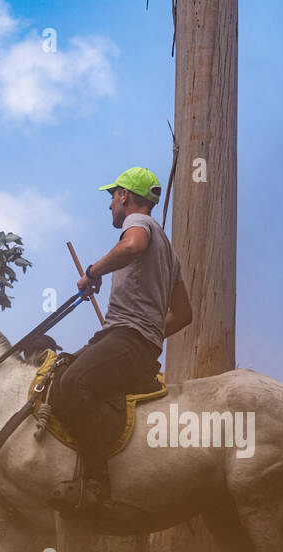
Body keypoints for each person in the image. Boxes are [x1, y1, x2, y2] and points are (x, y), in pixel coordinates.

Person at [51, 166, 192, 514]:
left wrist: (92, 273)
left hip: (127, 340)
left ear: (124, 196)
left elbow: (132, 246)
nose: (110, 206)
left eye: (112, 198)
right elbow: (185, 313)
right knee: (62, 374)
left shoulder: (139, 225)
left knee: (72, 384)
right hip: (134, 342)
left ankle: (97, 483)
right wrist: (151, 332)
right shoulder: (170, 253)